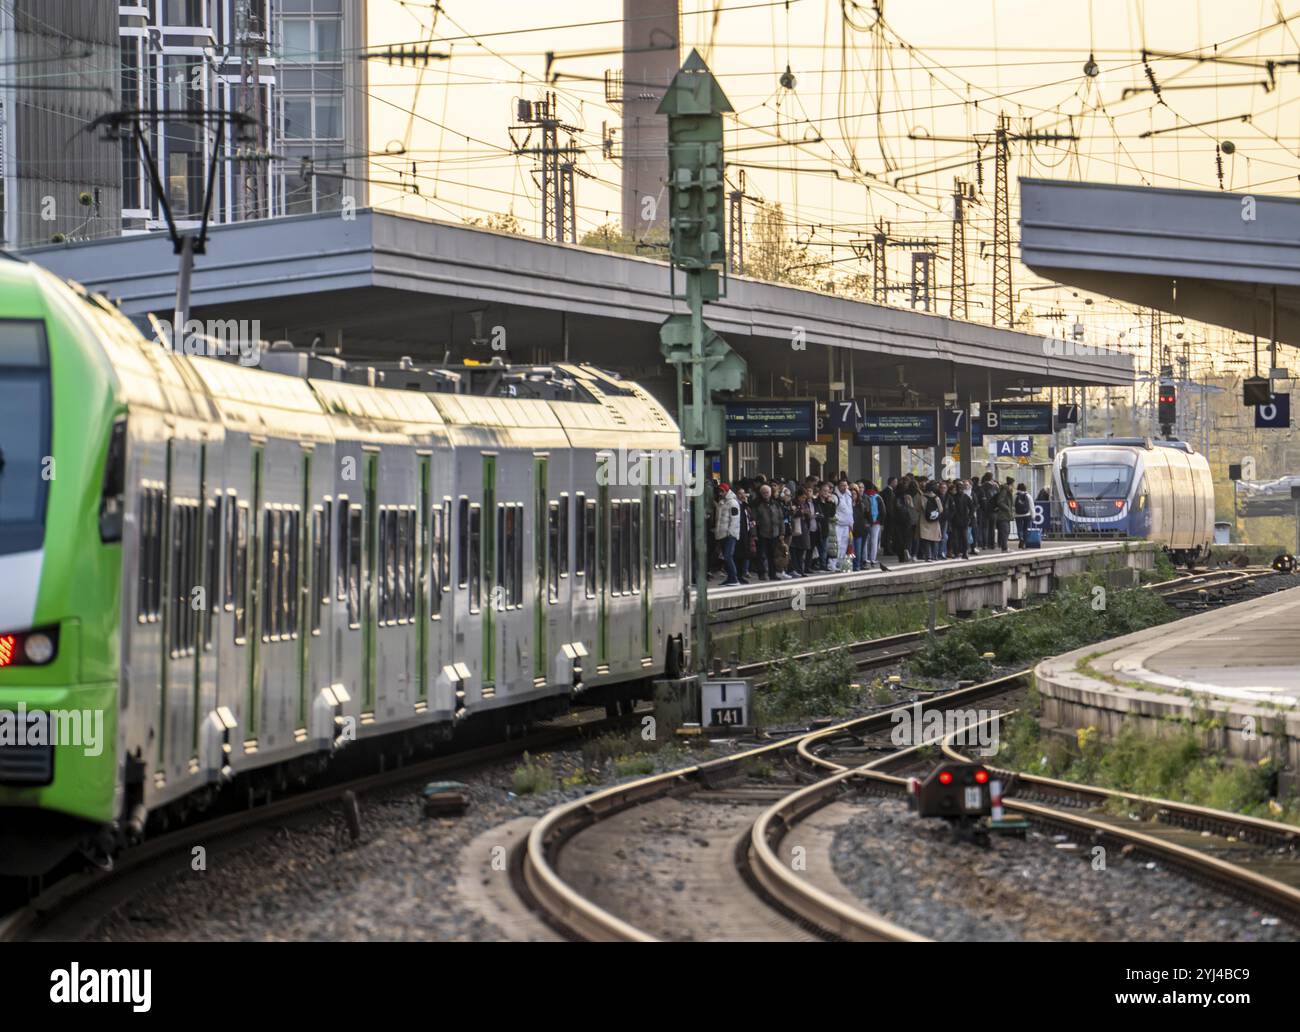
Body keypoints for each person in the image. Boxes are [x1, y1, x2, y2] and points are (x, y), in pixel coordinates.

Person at [754, 483, 783, 580]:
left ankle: (772, 574)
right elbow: (753, 520)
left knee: (773, 555)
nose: (766, 494)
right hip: (762, 532)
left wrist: (782, 533)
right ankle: (761, 574)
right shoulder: (757, 504)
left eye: (767, 492)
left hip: (774, 532)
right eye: (764, 492)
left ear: (770, 493)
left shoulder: (776, 504)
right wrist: (754, 534)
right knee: (761, 555)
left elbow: (781, 519)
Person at [714, 483, 740, 584]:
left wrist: (731, 532)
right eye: (719, 491)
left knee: (728, 555)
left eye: (722, 491)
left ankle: (734, 578)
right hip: (722, 534)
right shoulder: (722, 502)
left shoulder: (733, 503)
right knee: (726, 556)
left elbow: (735, 519)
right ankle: (730, 578)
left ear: (727, 491)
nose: (720, 493)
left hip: (729, 534)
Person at [833, 478, 853, 570]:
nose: (844, 487)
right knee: (837, 544)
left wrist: (851, 523)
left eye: (846, 485)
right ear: (838, 486)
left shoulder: (848, 495)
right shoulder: (835, 496)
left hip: (847, 524)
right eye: (842, 485)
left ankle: (841, 563)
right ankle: (833, 564)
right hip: (838, 524)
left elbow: (850, 510)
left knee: (844, 545)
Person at [919, 480, 943, 560]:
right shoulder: (936, 497)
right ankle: (934, 556)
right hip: (935, 521)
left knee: (926, 539)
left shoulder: (922, 497)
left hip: (924, 521)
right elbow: (941, 509)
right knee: (935, 539)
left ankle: (928, 556)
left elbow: (918, 508)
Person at [995, 476, 1015, 552]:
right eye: (1013, 484)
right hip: (1003, 515)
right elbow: (1000, 501)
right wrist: (1007, 508)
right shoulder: (1004, 490)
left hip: (1006, 515)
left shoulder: (1007, 490)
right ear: (1011, 484)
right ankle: (1004, 548)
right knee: (1005, 531)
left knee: (1007, 531)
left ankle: (1005, 547)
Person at [1015, 481, 1033, 548]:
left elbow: (1013, 506)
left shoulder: (1015, 496)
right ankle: (1025, 542)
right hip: (1027, 515)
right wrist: (1033, 515)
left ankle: (1021, 538)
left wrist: (1013, 514)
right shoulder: (1028, 496)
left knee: (1019, 529)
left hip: (1018, 515)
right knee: (1025, 529)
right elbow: (1032, 506)